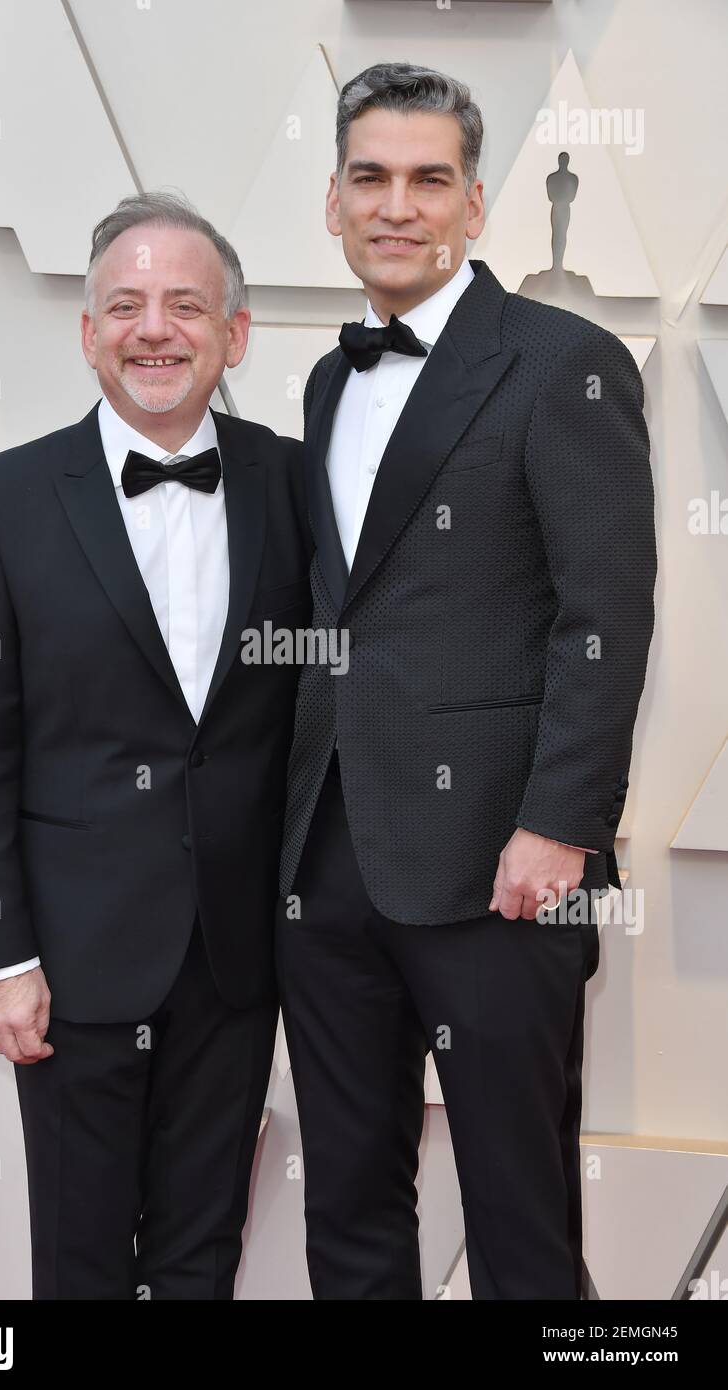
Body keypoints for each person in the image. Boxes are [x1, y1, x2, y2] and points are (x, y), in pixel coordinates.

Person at [277, 62, 657, 1300]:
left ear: (475, 203)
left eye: (427, 179)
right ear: (332, 199)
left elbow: (604, 616)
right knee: (347, 1202)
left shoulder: (563, 363)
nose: (396, 206)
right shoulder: (328, 380)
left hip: (502, 862)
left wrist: (559, 826)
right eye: (369, 178)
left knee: (518, 1224)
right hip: (328, 853)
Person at [0, 191, 312, 1299]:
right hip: (70, 963)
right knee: (81, 1262)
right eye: (127, 306)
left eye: (186, 305)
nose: (156, 330)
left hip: (238, 957)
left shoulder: (294, 484)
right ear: (89, 331)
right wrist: (1, 958)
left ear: (234, 333)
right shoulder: (0, 501)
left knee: (202, 1255)